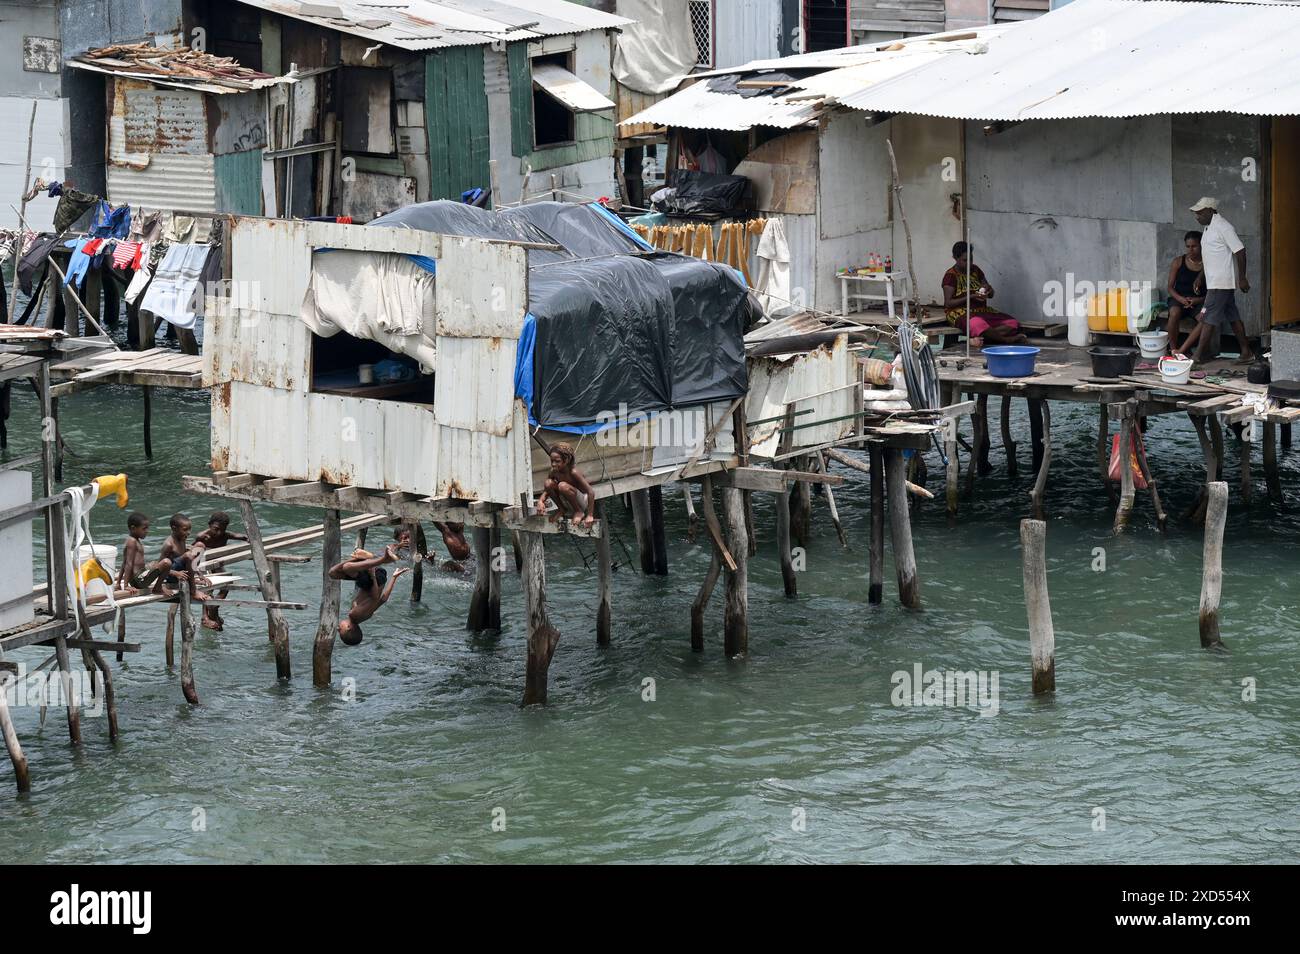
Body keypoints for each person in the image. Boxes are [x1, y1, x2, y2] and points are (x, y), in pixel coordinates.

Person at [1178, 198, 1255, 364]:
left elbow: (1240, 251)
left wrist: (1242, 278)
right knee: (1232, 316)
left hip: (1221, 283)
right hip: (1216, 282)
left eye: (1200, 213)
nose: (1197, 216)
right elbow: (1210, 257)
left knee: (1208, 318)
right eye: (1196, 213)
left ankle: (1198, 355)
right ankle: (1246, 352)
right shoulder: (1208, 228)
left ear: (1210, 211)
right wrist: (1200, 277)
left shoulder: (1223, 227)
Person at [941, 242, 1026, 347]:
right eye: (965, 260)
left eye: (971, 259)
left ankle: (983, 338)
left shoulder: (976, 270)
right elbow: (948, 303)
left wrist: (989, 290)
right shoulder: (950, 276)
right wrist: (972, 296)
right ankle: (1005, 340)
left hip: (982, 311)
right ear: (955, 258)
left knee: (1012, 323)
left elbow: (991, 294)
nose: (969, 263)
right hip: (961, 313)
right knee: (977, 324)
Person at [329, 545, 409, 646]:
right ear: (349, 628)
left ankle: (361, 559)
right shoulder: (355, 614)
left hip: (370, 582)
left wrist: (394, 577)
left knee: (333, 573)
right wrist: (373, 576)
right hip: (375, 579)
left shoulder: (362, 617)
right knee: (347, 567)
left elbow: (383, 599)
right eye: (340, 631)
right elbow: (375, 597)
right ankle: (382, 559)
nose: (337, 628)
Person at [196, 511, 246, 630]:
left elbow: (241, 536)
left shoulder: (225, 534)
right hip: (203, 563)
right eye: (216, 529)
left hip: (216, 563)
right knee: (208, 587)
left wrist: (248, 538)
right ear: (209, 525)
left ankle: (214, 606)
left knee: (227, 584)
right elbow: (194, 552)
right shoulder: (203, 536)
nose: (219, 533)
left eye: (222, 530)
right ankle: (205, 617)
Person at [534, 442, 596, 526]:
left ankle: (579, 512)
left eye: (557, 461)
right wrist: (541, 501)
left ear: (566, 460)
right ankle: (561, 509)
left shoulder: (573, 472)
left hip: (582, 501)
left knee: (562, 485)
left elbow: (591, 492)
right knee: (548, 482)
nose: (553, 464)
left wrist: (590, 515)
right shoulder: (554, 472)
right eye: (552, 461)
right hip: (567, 498)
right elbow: (547, 489)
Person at [1164, 231, 1205, 353]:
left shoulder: (1209, 264)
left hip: (1199, 301)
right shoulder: (1178, 262)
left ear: (1201, 245)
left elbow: (1213, 292)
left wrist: (1197, 300)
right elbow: (1170, 287)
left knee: (1205, 319)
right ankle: (1173, 348)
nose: (1191, 250)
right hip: (1179, 299)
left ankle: (1194, 349)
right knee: (1174, 313)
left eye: (1194, 246)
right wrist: (1181, 299)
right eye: (1188, 247)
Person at [157, 513, 208, 600]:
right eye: (185, 530)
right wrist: (175, 573)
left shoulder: (182, 538)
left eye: (189, 530)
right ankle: (193, 591)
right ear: (174, 529)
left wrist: (200, 573)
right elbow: (160, 566)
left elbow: (186, 559)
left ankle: (192, 579)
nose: (188, 533)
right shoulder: (169, 544)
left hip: (183, 572)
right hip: (172, 575)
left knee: (200, 545)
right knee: (188, 555)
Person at [115, 511, 166, 594]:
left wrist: (118, 583)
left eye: (147, 528)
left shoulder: (135, 540)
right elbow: (128, 564)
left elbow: (124, 563)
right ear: (133, 528)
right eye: (144, 528)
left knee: (155, 563)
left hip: (139, 578)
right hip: (139, 580)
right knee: (166, 563)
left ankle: (160, 585)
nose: (147, 531)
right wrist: (126, 586)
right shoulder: (132, 541)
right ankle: (158, 587)